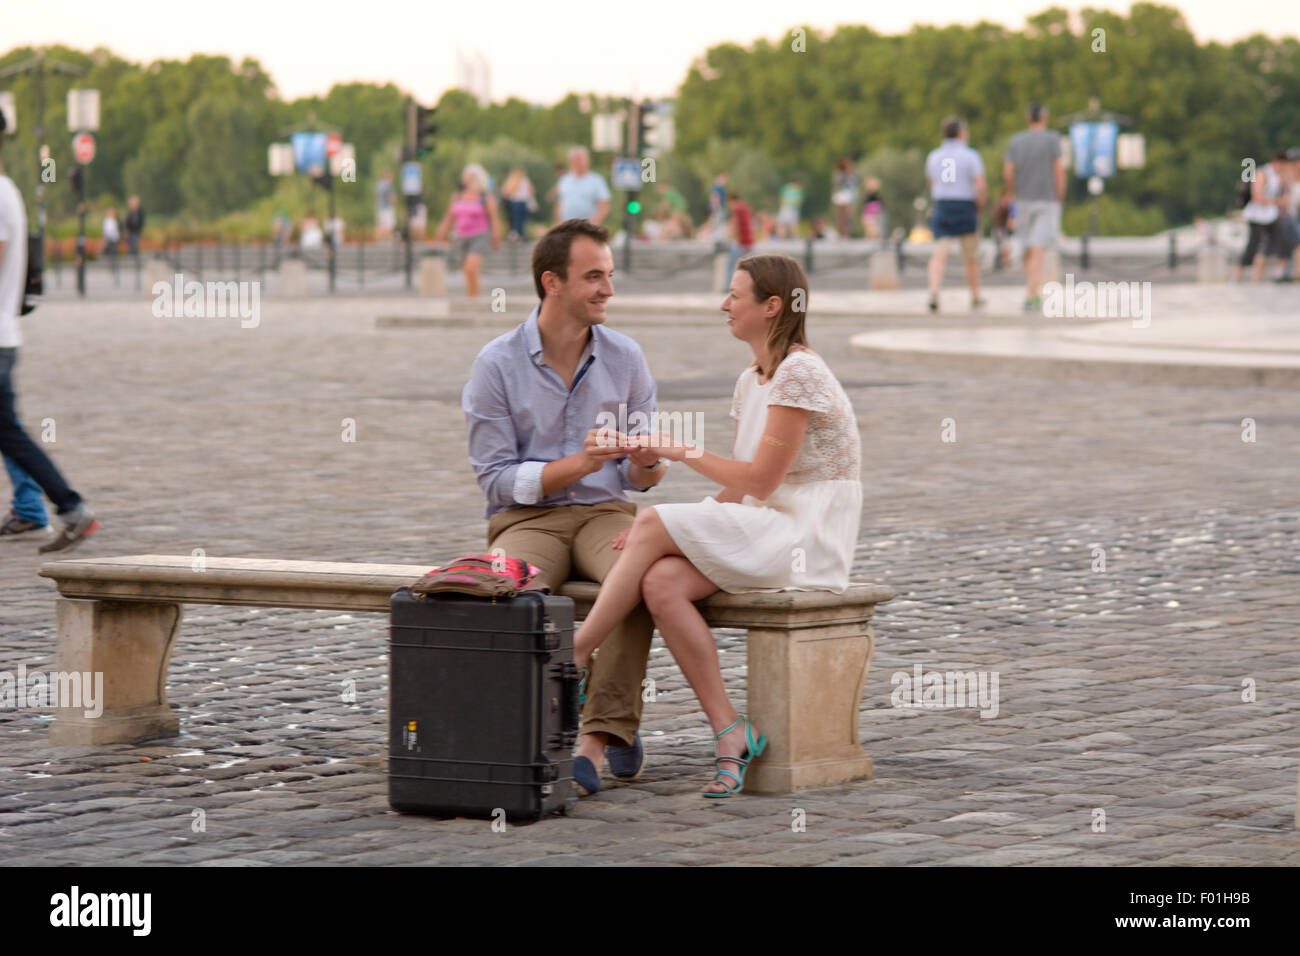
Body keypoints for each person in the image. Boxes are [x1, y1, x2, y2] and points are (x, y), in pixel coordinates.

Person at [571, 253, 862, 797]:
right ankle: (730, 731)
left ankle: (576, 652)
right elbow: (738, 488)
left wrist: (679, 455)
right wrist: (682, 527)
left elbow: (763, 480)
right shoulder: (751, 379)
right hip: (769, 520)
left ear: (772, 307)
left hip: (807, 533)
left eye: (736, 295)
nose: (723, 305)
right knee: (659, 579)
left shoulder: (800, 372)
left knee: (654, 521)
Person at [462, 219, 666, 796]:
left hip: (606, 514)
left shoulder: (627, 357)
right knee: (509, 593)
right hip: (527, 519)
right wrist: (576, 464)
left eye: (609, 276)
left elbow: (638, 477)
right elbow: (495, 480)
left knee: (643, 577)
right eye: (593, 277)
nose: (608, 290)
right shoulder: (496, 364)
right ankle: (527, 726)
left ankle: (600, 733)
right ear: (551, 283)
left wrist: (650, 463)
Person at [0, 109, 100, 551]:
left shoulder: (0, 193)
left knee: (11, 433)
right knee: (10, 433)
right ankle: (67, 508)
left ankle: (64, 507)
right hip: (4, 336)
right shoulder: (9, 192)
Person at [1004, 102, 1065, 312]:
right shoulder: (1052, 139)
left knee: (1029, 248)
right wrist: (1060, 196)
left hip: (1021, 200)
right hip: (1045, 198)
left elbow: (1009, 171)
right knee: (1038, 248)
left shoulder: (1016, 141)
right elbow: (1058, 170)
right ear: (1044, 117)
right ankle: (1032, 295)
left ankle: (1031, 290)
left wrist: (1011, 193)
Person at [924, 116, 987, 312]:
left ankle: (934, 291)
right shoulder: (970, 156)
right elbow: (980, 184)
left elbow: (932, 182)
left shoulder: (934, 156)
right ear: (961, 132)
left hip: (943, 204)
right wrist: (980, 206)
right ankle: (975, 295)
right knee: (971, 256)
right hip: (965, 204)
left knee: (939, 254)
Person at [434, 163, 501, 299]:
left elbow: (494, 218)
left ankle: (474, 297)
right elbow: (449, 216)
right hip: (461, 237)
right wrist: (441, 231)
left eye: (468, 176)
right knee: (468, 270)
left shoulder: (485, 197)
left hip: (480, 236)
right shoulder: (458, 196)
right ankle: (472, 297)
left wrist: (495, 237)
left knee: (471, 266)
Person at [1234, 149, 1291, 282]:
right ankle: (1237, 276)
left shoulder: (1279, 176)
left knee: (1282, 242)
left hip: (1271, 215)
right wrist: (1277, 201)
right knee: (1252, 246)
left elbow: (1285, 195)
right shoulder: (1262, 173)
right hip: (1257, 216)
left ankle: (1272, 274)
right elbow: (1257, 196)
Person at [554, 147, 610, 224]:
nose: (580, 162)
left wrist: (592, 224)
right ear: (571, 161)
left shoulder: (597, 181)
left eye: (582, 159)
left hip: (587, 228)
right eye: (577, 159)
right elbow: (559, 204)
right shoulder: (564, 180)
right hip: (567, 227)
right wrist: (557, 224)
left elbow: (604, 206)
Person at [726, 192, 755, 280]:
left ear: (732, 201)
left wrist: (732, 237)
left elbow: (736, 225)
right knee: (747, 267)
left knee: (731, 265)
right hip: (749, 242)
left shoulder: (737, 210)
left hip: (741, 243)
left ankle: (729, 286)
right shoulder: (746, 208)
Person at [501, 166, 536, 240]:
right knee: (518, 219)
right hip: (519, 202)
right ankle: (518, 234)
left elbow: (508, 191)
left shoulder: (521, 180)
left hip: (519, 201)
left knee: (518, 219)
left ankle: (518, 234)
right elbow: (531, 191)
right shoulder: (521, 180)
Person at [831, 158, 859, 237]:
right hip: (840, 195)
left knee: (848, 216)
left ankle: (846, 233)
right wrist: (846, 174)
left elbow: (855, 185)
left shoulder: (853, 175)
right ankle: (841, 233)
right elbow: (837, 183)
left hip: (849, 196)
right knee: (840, 216)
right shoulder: (838, 174)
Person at [374, 172, 396, 241]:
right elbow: (392, 198)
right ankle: (388, 239)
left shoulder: (378, 184)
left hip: (379, 207)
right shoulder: (389, 185)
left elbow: (376, 196)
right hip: (387, 207)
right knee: (389, 225)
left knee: (381, 224)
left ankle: (380, 239)